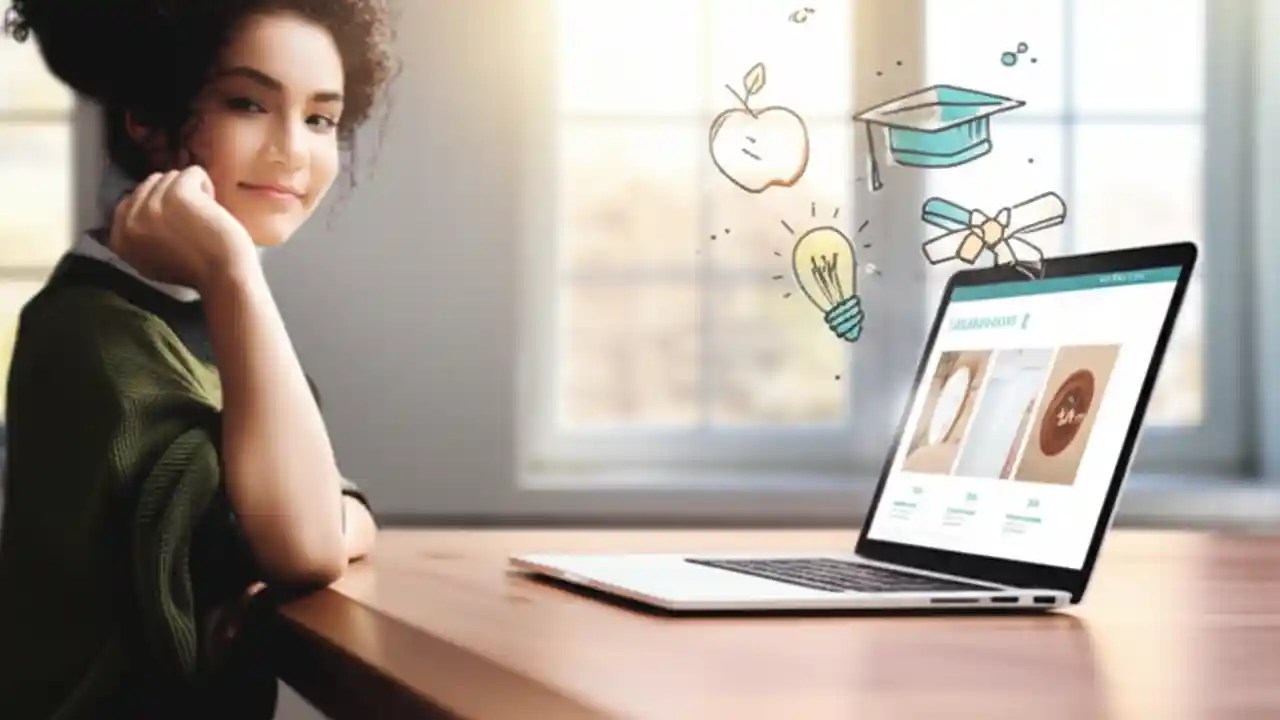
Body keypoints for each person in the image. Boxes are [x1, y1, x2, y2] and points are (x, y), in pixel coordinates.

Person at [0, 0, 399, 716]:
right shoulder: (86, 335)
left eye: (320, 119)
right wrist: (234, 270)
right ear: (147, 115)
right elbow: (310, 543)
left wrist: (324, 517)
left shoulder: (214, 319)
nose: (293, 152)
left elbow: (334, 508)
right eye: (248, 103)